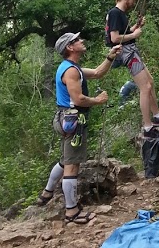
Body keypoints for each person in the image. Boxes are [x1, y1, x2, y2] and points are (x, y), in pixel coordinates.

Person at [35, 32, 120, 224]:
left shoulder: (73, 67)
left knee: (66, 161)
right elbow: (78, 99)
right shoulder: (71, 71)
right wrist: (98, 100)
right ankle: (71, 211)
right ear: (70, 48)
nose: (81, 41)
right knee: (72, 165)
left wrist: (110, 56)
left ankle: (47, 193)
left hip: (65, 119)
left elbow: (98, 73)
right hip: (73, 121)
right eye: (76, 40)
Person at [105, 0, 159, 138]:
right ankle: (148, 127)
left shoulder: (120, 14)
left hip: (131, 51)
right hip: (128, 54)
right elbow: (114, 38)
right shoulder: (114, 13)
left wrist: (136, 27)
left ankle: (158, 117)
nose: (133, 3)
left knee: (150, 82)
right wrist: (135, 35)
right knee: (145, 87)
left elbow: (123, 33)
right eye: (133, 0)